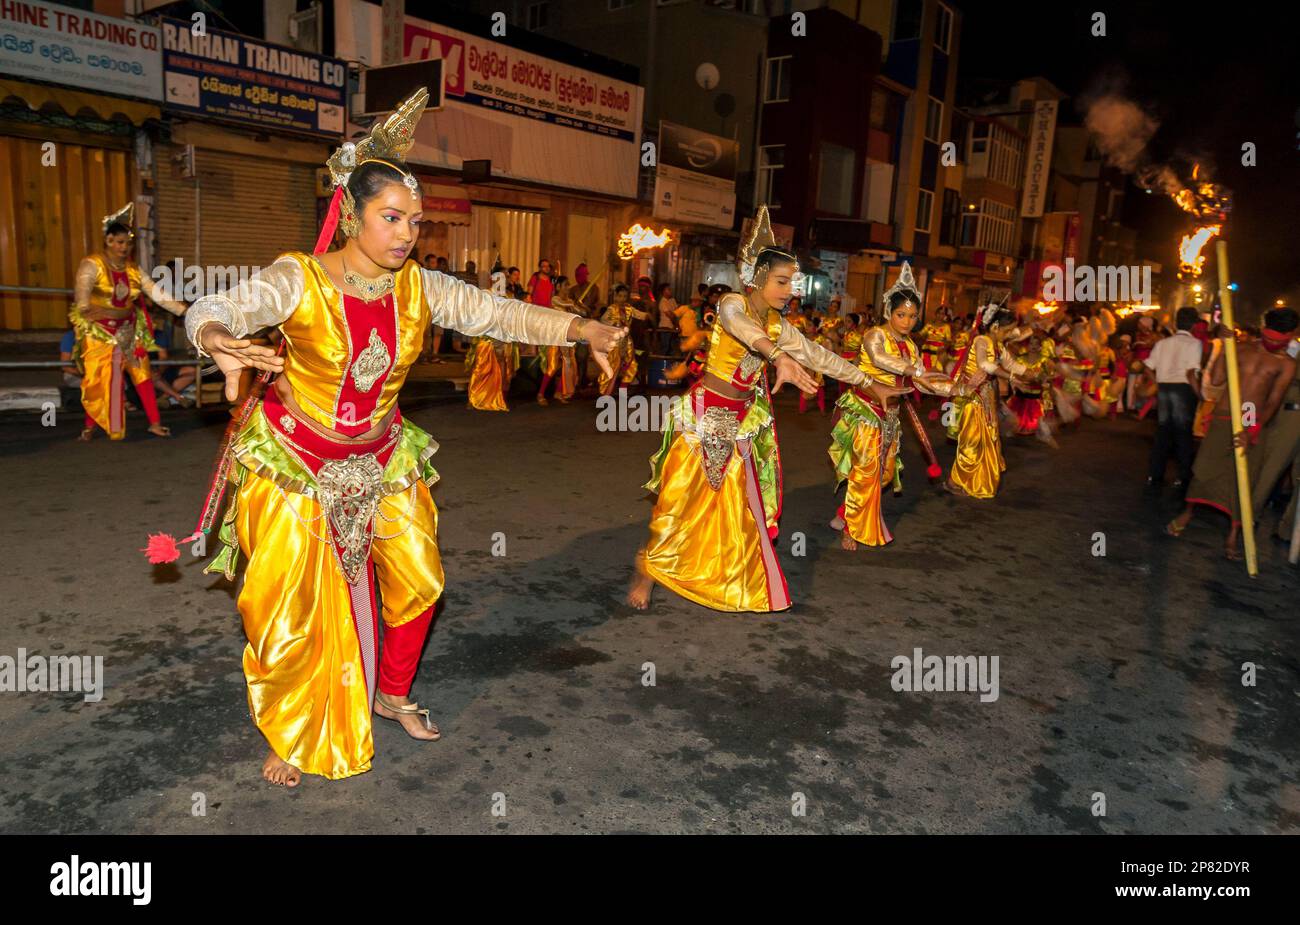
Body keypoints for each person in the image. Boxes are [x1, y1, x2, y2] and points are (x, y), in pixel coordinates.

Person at [169, 88, 624, 787]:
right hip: (298, 462)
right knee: (291, 605)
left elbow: (498, 313)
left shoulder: (419, 287)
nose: (407, 232)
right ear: (350, 214)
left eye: (414, 219)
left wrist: (581, 327)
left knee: (420, 578)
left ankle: (389, 689)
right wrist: (218, 337)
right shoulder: (302, 278)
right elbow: (222, 303)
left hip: (381, 456)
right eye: (391, 217)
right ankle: (294, 728)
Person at [626, 206, 902, 612]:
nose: (789, 289)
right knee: (680, 503)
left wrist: (868, 382)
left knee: (737, 510)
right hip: (704, 418)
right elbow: (743, 329)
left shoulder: (777, 323)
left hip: (741, 424)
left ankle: (728, 576)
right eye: (782, 281)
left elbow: (819, 355)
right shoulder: (732, 305)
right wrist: (777, 357)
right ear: (757, 277)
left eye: (792, 282)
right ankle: (645, 573)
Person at [829, 263, 972, 550]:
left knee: (884, 473)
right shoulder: (875, 336)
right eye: (901, 315)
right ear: (888, 312)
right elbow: (881, 359)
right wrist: (914, 370)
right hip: (866, 409)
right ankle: (853, 529)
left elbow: (922, 382)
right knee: (866, 471)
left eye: (912, 316)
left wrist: (955, 388)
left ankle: (846, 514)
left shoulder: (911, 347)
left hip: (891, 415)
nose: (906, 322)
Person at [1166, 308, 1299, 558]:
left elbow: (1273, 401)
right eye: (1269, 337)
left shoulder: (1287, 364)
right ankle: (1187, 512)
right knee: (1205, 468)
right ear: (1262, 329)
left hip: (1250, 417)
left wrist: (1252, 429)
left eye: (1279, 340)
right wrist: (1226, 347)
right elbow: (1216, 380)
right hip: (1225, 413)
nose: (1273, 344)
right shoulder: (1242, 348)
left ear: (1291, 336)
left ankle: (1233, 535)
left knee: (1243, 478)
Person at [70, 203, 188, 441]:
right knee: (98, 380)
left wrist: (184, 310)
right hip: (99, 333)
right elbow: (82, 299)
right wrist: (90, 309)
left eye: (128, 243)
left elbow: (156, 293)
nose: (125, 248)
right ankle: (90, 426)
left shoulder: (134, 270)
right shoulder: (92, 264)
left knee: (142, 374)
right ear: (109, 241)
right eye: (120, 242)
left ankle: (155, 423)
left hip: (129, 331)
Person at [944, 302, 1032, 499]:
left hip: (986, 398)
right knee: (972, 442)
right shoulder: (981, 341)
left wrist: (1029, 373)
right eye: (1006, 330)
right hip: (971, 397)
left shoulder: (998, 345)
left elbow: (1012, 363)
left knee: (987, 440)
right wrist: (1011, 377)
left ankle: (974, 480)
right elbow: (984, 365)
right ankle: (953, 481)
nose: (1008, 334)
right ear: (994, 327)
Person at [1142, 307, 1205, 490]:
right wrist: (1199, 395)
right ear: (1194, 325)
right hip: (1183, 390)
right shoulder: (1195, 344)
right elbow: (1191, 372)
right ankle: (1183, 477)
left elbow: (1147, 367)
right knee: (1183, 434)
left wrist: (1157, 384)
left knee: (1162, 433)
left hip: (1165, 389)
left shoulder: (1163, 343)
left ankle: (1155, 475)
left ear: (1176, 323)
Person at [597, 284, 651, 396]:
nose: (622, 299)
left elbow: (640, 315)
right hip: (615, 343)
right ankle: (605, 394)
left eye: (625, 296)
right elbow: (603, 321)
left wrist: (648, 315)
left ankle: (622, 392)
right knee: (612, 369)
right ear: (615, 297)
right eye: (620, 296)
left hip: (627, 343)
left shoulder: (629, 309)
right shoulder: (611, 309)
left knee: (632, 367)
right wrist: (615, 324)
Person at [538, 275, 579, 404]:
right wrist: (573, 304)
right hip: (555, 338)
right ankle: (540, 394)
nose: (568, 287)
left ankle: (559, 392)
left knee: (567, 365)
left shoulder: (569, 301)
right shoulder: (555, 299)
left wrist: (581, 308)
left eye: (568, 285)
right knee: (552, 367)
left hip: (567, 337)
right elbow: (562, 304)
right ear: (558, 287)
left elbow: (579, 313)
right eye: (565, 285)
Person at [654, 283, 678, 356]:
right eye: (668, 289)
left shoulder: (672, 300)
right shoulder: (662, 302)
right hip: (665, 327)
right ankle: (661, 364)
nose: (671, 291)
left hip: (672, 327)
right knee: (665, 347)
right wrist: (677, 324)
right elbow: (670, 315)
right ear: (663, 292)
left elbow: (677, 312)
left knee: (671, 347)